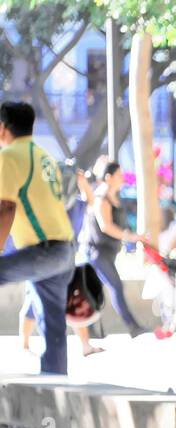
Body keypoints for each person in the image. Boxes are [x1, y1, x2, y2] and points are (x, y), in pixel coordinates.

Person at [0, 101, 77, 374]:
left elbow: (6, 206)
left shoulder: (9, 156)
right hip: (65, 249)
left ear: (3, 128)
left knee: (53, 322)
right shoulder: (45, 156)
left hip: (45, 251)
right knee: (53, 324)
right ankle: (56, 385)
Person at [75, 159, 148, 337]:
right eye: (119, 174)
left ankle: (93, 330)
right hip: (96, 252)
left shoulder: (115, 197)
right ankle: (132, 326)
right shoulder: (101, 197)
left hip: (106, 252)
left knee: (94, 291)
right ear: (109, 177)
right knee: (115, 286)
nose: (122, 178)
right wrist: (132, 237)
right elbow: (106, 226)